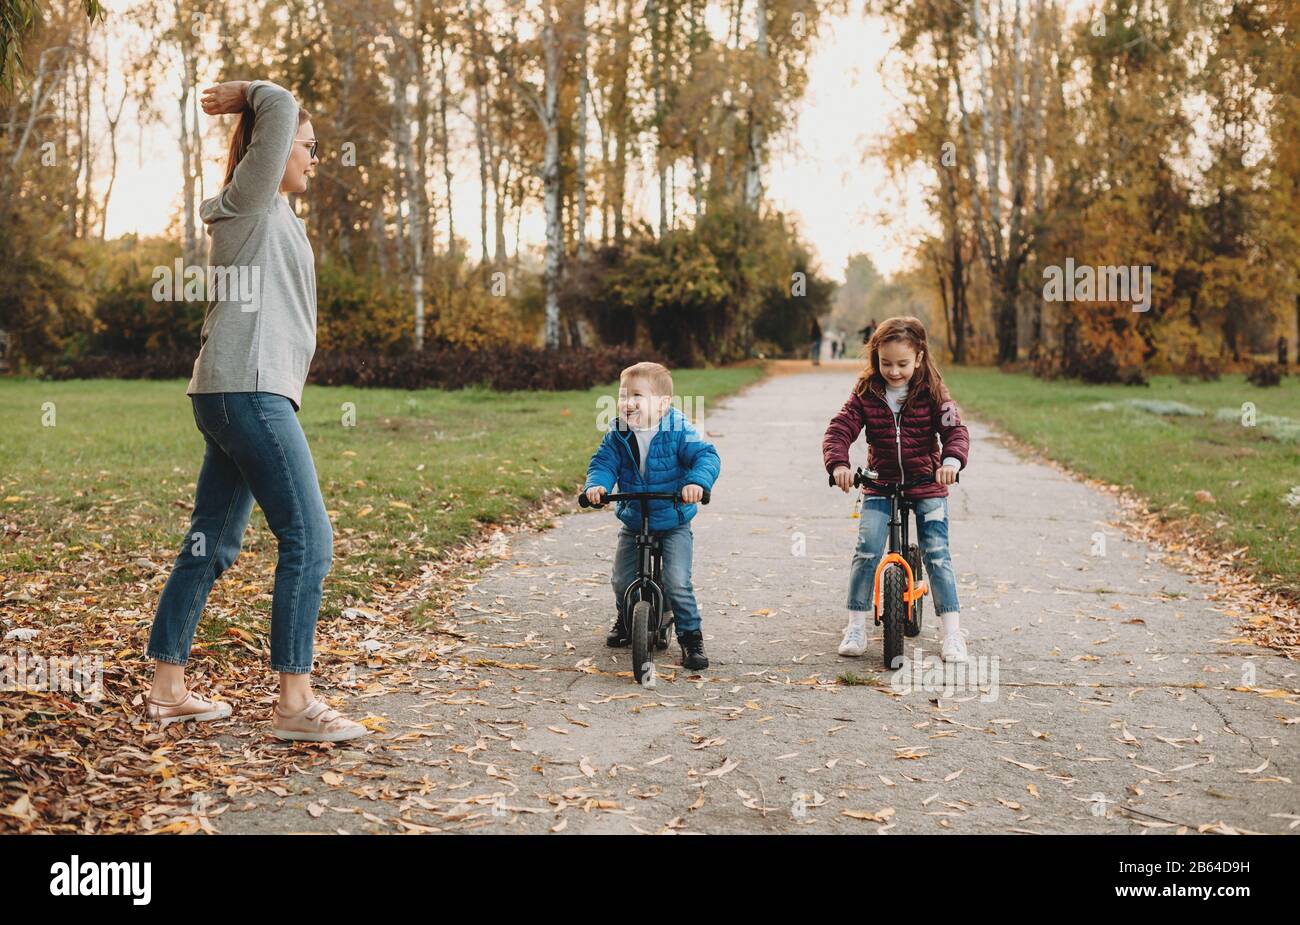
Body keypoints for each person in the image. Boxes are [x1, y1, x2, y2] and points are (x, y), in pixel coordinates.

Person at [143, 79, 366, 742]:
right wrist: (259, 92)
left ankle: (166, 690)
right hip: (248, 391)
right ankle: (295, 704)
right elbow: (278, 112)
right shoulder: (249, 200)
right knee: (310, 537)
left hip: (233, 391)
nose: (315, 157)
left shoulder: (277, 216)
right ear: (271, 152)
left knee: (211, 542)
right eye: (307, 145)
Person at [822, 316, 972, 663]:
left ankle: (952, 631)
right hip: (880, 481)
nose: (893, 371)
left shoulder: (933, 391)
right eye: (885, 363)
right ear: (875, 358)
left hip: (927, 481)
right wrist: (839, 464)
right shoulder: (866, 392)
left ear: (919, 357)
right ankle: (856, 624)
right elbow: (840, 428)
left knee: (937, 552)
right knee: (866, 548)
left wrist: (951, 461)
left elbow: (955, 431)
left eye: (902, 364)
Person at [583, 362, 721, 671]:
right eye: (622, 395)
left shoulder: (679, 429)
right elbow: (603, 463)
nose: (627, 403)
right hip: (635, 518)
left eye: (637, 396)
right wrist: (597, 486)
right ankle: (626, 616)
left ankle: (690, 636)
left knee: (677, 581)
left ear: (662, 404)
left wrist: (697, 483)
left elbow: (705, 456)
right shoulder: (618, 432)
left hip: (673, 518)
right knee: (621, 579)